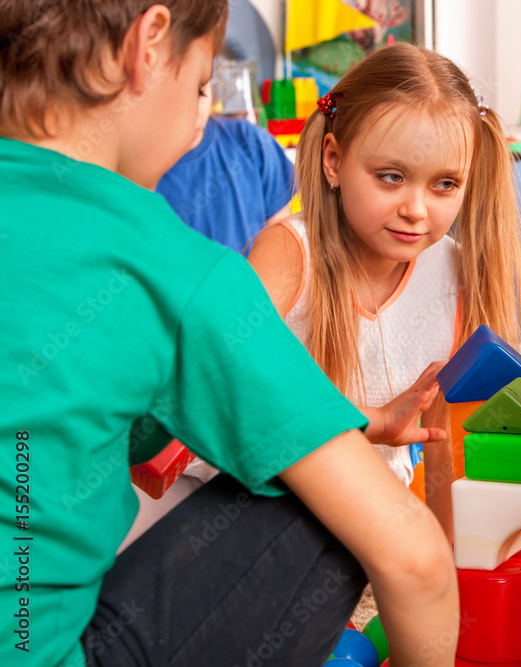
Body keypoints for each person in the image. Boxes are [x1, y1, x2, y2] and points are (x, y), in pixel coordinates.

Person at [0, 3, 457, 666]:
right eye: (200, 84)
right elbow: (416, 558)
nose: (197, 126)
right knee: (336, 501)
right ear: (148, 45)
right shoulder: (172, 267)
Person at [247, 43, 521, 539]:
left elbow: (445, 444)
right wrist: (370, 420)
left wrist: (454, 567)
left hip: (362, 520)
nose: (416, 209)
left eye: (444, 184)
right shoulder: (292, 254)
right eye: (391, 177)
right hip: (258, 502)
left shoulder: (454, 272)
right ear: (333, 161)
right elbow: (225, 397)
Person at [156, 82, 295, 253]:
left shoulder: (252, 143)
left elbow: (284, 247)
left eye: (199, 92)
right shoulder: (133, 172)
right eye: (170, 95)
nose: (189, 112)